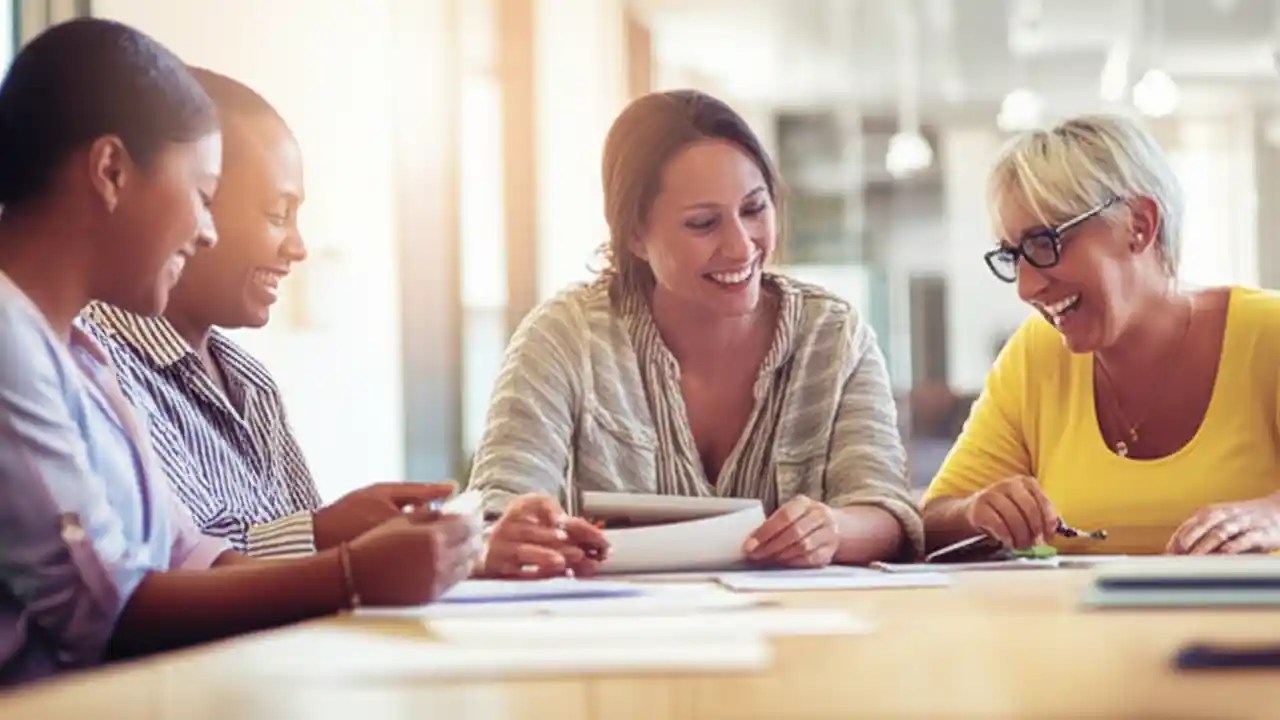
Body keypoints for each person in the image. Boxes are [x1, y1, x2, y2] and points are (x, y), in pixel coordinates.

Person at [0, 19, 476, 685]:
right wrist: (350, 573)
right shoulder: (11, 346)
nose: (203, 230)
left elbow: (189, 553)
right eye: (201, 195)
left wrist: (422, 558)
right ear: (111, 172)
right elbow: (107, 609)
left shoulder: (76, 353)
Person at [469, 90, 922, 578]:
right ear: (635, 235)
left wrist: (832, 528)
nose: (740, 245)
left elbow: (886, 512)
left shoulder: (833, 337)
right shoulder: (565, 337)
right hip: (614, 638)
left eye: (754, 209)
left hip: (795, 633)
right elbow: (497, 511)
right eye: (703, 224)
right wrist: (508, 537)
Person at [85, 69, 434, 558]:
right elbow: (179, 565)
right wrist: (327, 534)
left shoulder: (250, 382)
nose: (298, 247)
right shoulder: (95, 364)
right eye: (277, 215)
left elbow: (304, 566)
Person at [922, 114, 1280, 556]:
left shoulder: (1269, 335)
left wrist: (1274, 516)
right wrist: (975, 512)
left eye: (1044, 243)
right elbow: (932, 522)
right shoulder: (1037, 355)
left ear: (1140, 225)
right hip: (1078, 626)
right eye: (1014, 256)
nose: (1027, 287)